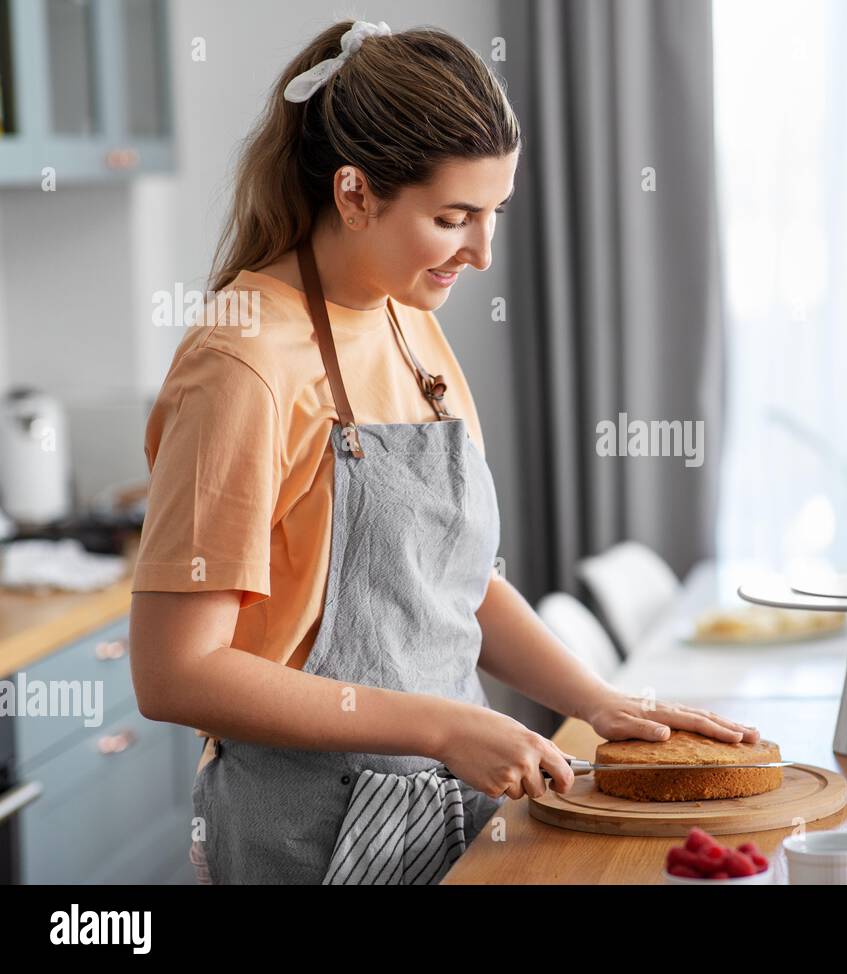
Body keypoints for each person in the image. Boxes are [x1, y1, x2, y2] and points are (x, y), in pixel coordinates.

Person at [129, 19, 761, 885]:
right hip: (307, 839)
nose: (483, 251)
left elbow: (454, 581)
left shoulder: (408, 321)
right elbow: (175, 674)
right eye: (453, 218)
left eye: (494, 213)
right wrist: (438, 725)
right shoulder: (243, 362)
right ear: (354, 193)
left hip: (442, 814)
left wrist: (600, 701)